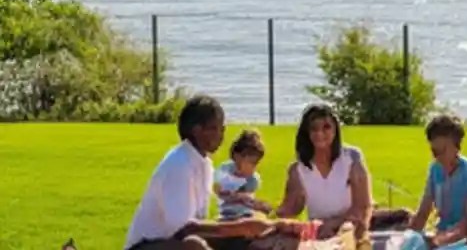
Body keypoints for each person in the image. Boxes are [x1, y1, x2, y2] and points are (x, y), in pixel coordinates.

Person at [123, 95, 303, 250]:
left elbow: (199, 225)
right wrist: (243, 226)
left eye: (223, 128)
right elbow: (186, 229)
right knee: (194, 245)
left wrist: (255, 227)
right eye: (216, 128)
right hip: (149, 245)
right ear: (197, 130)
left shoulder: (204, 164)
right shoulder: (179, 164)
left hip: (176, 240)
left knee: (246, 240)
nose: (222, 134)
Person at [276, 104, 374, 244]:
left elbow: (362, 207)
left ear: (335, 130)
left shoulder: (352, 158)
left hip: (351, 231)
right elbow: (290, 208)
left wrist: (333, 225)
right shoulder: (298, 169)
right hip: (319, 236)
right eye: (314, 129)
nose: (320, 133)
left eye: (326, 127)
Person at [405, 115, 467, 249]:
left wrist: (438, 241)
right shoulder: (435, 170)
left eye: (441, 151)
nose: (436, 156)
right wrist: (408, 238)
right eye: (434, 151)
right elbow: (423, 212)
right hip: (441, 237)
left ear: (456, 147)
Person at [215, 129, 273, 220]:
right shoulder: (225, 170)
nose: (254, 167)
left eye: (256, 163)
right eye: (251, 163)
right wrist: (237, 197)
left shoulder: (253, 179)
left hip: (246, 214)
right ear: (237, 157)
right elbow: (219, 192)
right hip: (226, 214)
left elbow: (249, 201)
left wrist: (258, 205)